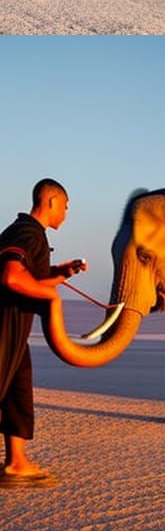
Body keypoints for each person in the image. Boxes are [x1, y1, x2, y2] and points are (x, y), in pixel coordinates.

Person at [1, 179, 86, 483]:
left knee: (17, 391)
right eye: (65, 207)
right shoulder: (28, 233)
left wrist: (59, 275)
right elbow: (11, 277)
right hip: (4, 326)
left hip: (16, 328)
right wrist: (51, 295)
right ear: (50, 202)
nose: (65, 214)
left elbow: (30, 280)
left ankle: (17, 463)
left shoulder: (26, 233)